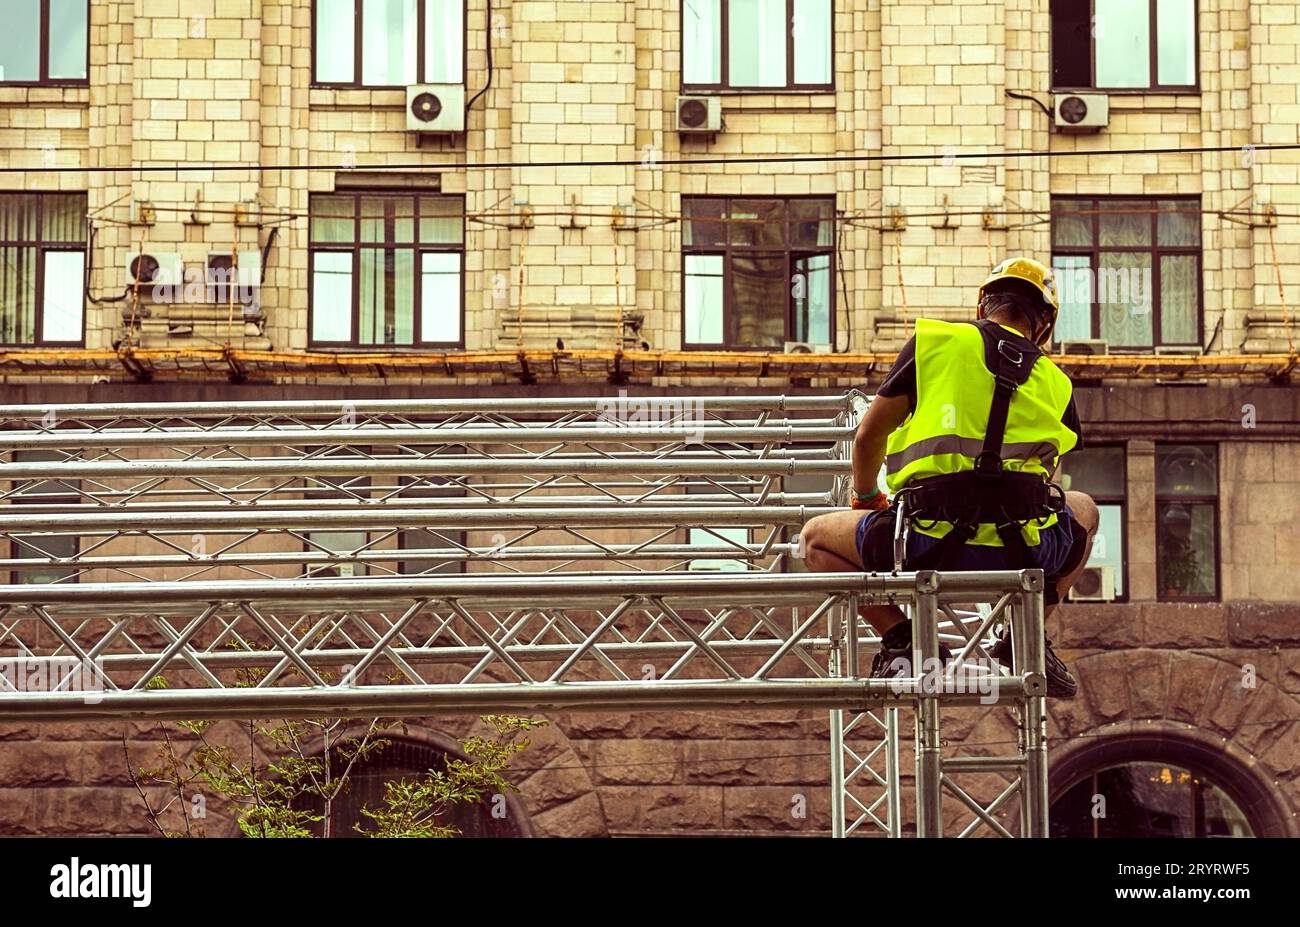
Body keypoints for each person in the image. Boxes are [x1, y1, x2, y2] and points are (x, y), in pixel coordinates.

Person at [800, 257, 1098, 698]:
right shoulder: (1058, 382)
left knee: (814, 540)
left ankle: (904, 640)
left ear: (984, 305)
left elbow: (868, 436)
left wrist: (865, 500)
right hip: (1023, 550)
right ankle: (1026, 638)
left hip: (923, 543)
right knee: (1086, 510)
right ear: (1043, 325)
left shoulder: (934, 343)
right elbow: (1050, 480)